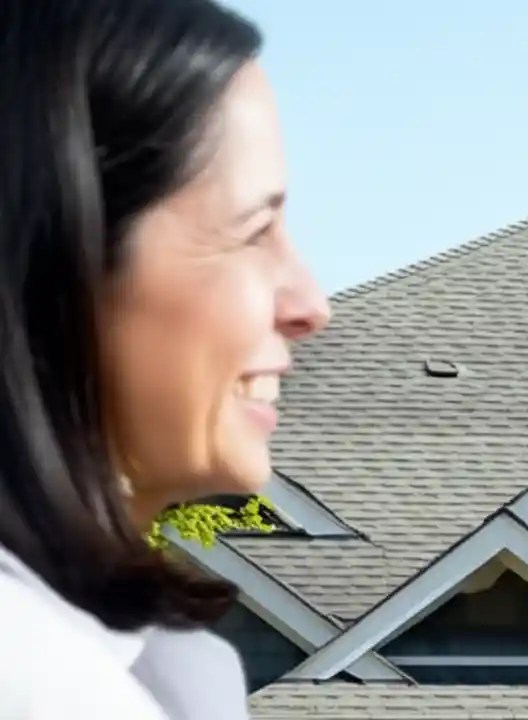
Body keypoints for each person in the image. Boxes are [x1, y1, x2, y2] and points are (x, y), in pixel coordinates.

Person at [0, 1, 329, 717]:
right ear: (58, 262)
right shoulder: (31, 675)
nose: (310, 303)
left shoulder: (163, 668)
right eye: (253, 232)